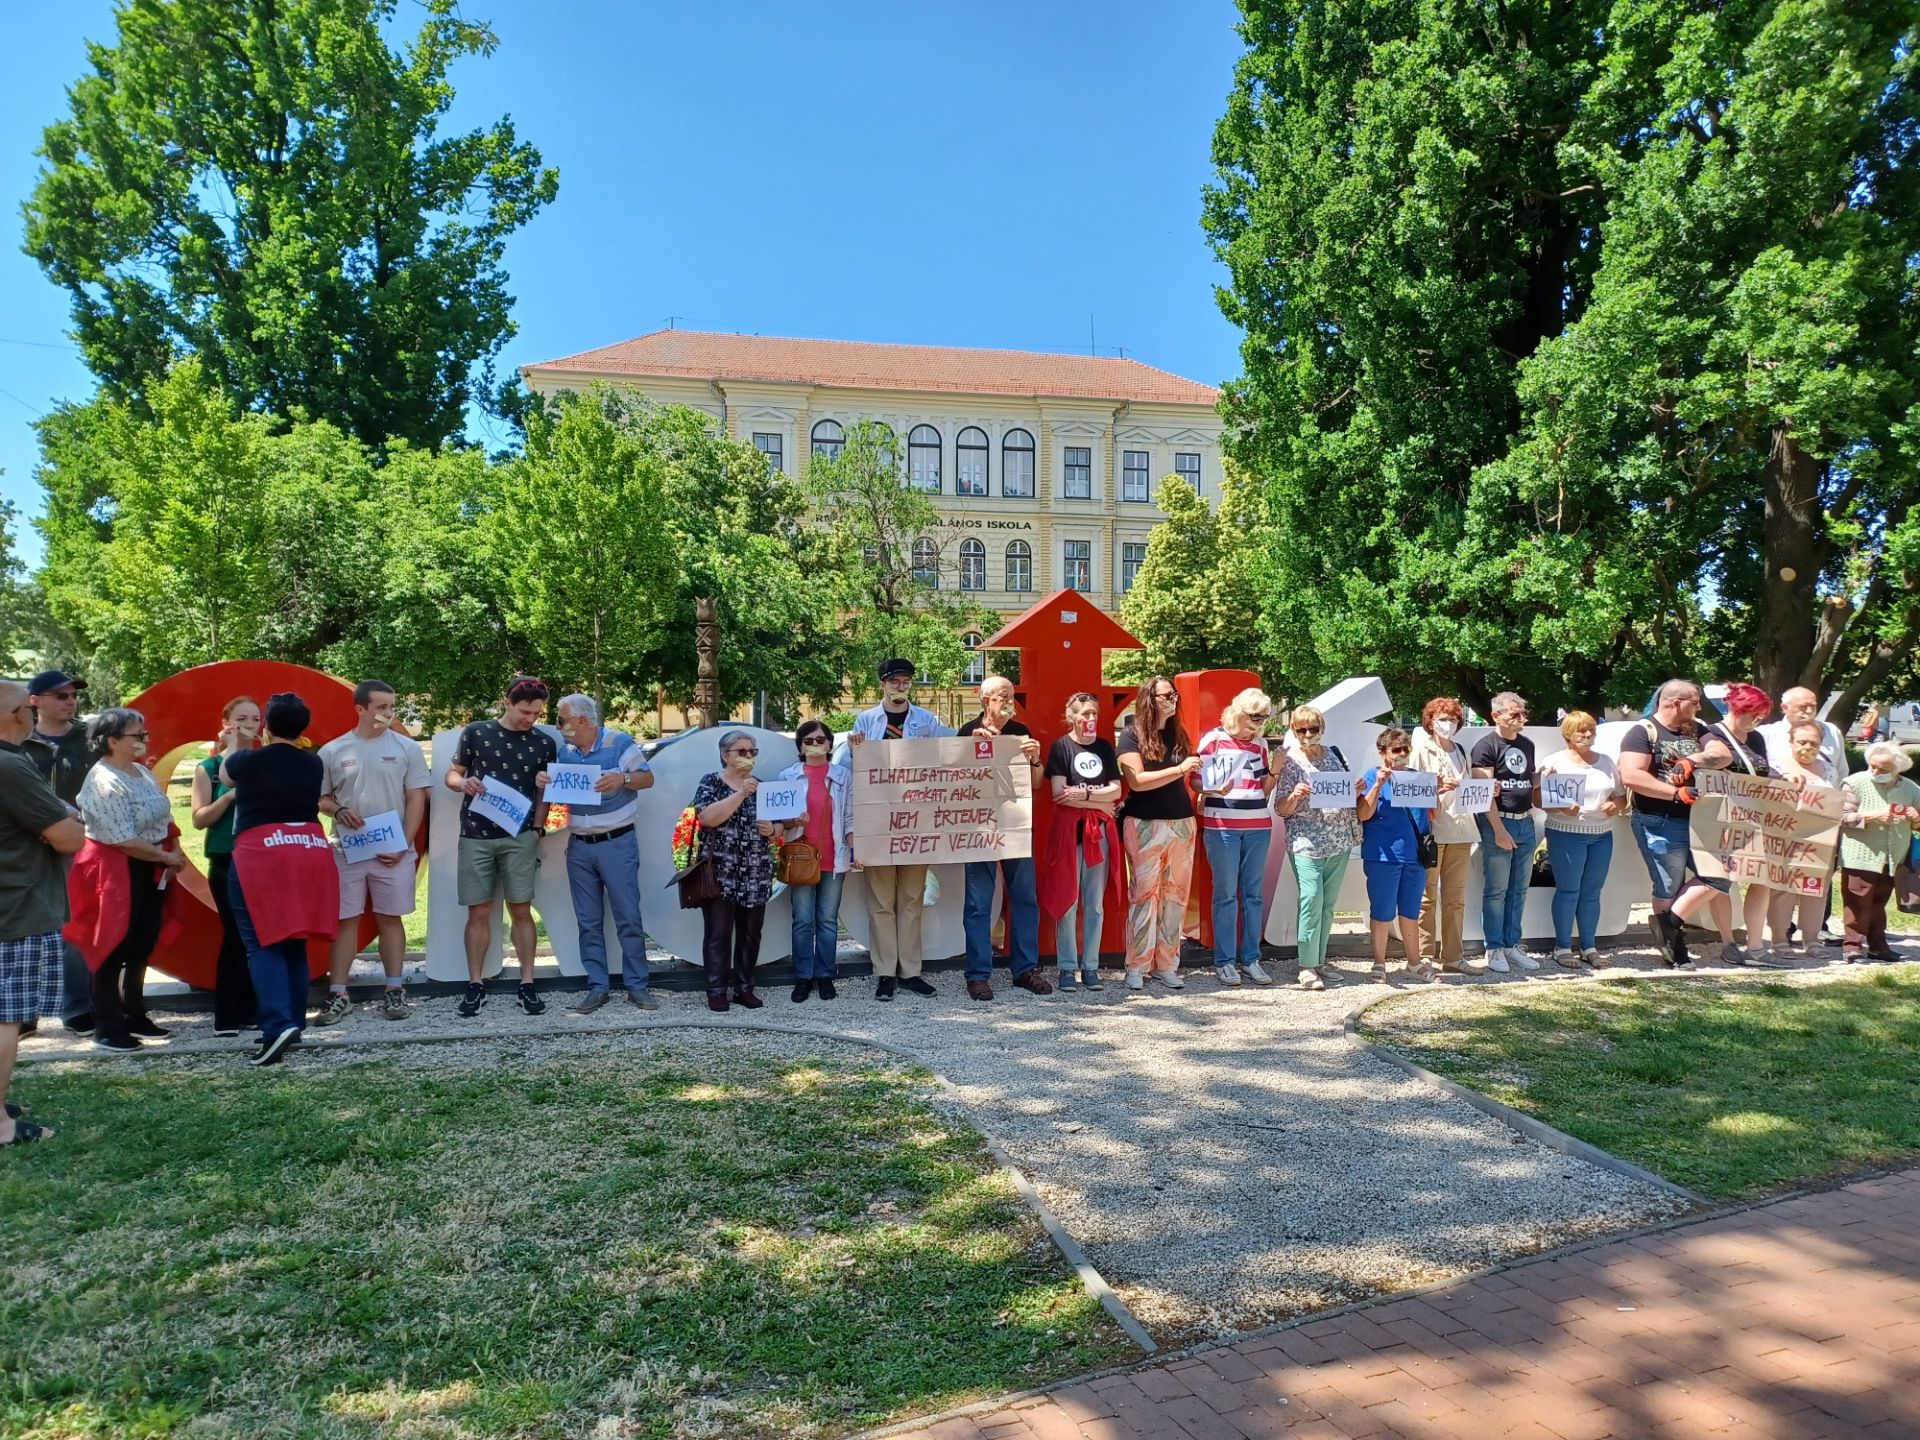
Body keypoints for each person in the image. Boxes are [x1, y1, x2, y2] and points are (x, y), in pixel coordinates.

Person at [223, 693, 338, 1066]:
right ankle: (293, 1022)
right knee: (294, 939)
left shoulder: (248, 759)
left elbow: (226, 776)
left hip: (263, 851)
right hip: (307, 847)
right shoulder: (312, 762)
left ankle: (275, 1026)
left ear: (267, 726)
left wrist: (234, 743)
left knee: (261, 941)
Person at [67, 708, 188, 1051]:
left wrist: (171, 850)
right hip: (116, 870)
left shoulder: (140, 771)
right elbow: (119, 837)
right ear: (112, 740)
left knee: (141, 941)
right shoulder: (103, 781)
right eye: (137, 735)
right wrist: (166, 857)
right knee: (111, 944)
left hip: (149, 864)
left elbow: (164, 814)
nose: (144, 739)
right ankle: (106, 1024)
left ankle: (134, 1012)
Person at [313, 680, 433, 1025]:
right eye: (380, 707)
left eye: (391, 707)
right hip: (347, 851)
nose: (387, 713)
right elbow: (321, 798)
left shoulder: (406, 748)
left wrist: (404, 842)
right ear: (360, 709)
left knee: (390, 918)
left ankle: (394, 989)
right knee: (345, 920)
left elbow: (416, 798)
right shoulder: (333, 751)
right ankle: (338, 994)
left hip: (393, 850)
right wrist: (336, 810)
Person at [0, 679, 86, 1145]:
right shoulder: (11, 766)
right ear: (20, 715)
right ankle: (0, 1124)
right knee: (6, 1017)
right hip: (16, 906)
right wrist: (64, 821)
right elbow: (70, 838)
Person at [445, 677, 556, 1018]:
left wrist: (538, 827)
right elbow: (452, 774)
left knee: (521, 909)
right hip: (476, 834)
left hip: (520, 836)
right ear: (506, 702)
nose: (530, 719)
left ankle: (527, 982)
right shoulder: (476, 732)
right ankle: (475, 983)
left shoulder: (543, 742)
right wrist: (463, 783)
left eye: (536, 713)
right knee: (478, 912)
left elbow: (545, 792)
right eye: (525, 711)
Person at [540, 693, 655, 1014]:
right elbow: (556, 788)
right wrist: (543, 780)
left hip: (617, 843)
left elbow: (648, 778)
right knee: (588, 921)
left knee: (628, 917)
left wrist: (623, 778)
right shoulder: (566, 751)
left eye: (562, 720)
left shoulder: (619, 743)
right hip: (579, 846)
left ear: (581, 721)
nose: (559, 725)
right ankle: (597, 986)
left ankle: (638, 986)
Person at [847, 657, 952, 999]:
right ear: (883, 684)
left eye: (906, 681)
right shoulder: (865, 720)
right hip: (878, 820)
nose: (900, 686)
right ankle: (884, 973)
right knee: (880, 900)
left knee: (911, 899)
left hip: (916, 821)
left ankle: (910, 970)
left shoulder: (927, 720)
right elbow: (853, 773)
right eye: (894, 681)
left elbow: (950, 756)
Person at [956, 679, 1052, 1001]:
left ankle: (1025, 969)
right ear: (986, 700)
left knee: (1025, 898)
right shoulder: (967, 731)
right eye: (1002, 697)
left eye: (1011, 696)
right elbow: (954, 781)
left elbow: (1037, 782)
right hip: (979, 828)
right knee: (978, 903)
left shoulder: (1021, 731)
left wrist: (1036, 758)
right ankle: (978, 975)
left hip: (1015, 826)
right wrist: (969, 747)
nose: (1009, 702)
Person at [1671, 682, 1775, 965]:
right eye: (1753, 714)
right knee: (1721, 878)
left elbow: (1764, 770)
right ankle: (1728, 941)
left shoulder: (1756, 739)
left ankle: (1755, 943)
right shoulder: (1713, 735)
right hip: (1721, 818)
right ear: (1736, 708)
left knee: (1761, 879)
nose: (1757, 721)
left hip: (1755, 818)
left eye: (1761, 716)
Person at [1116, 678, 1201, 990]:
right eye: (1167, 695)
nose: (1173, 699)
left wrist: (1208, 784)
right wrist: (1180, 770)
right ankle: (1136, 966)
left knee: (1175, 897)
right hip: (1144, 823)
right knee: (1143, 896)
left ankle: (1166, 964)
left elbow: (1190, 779)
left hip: (1181, 822)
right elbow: (1137, 781)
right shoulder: (1131, 734)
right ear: (1150, 698)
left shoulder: (1178, 734)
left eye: (1174, 694)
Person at [21, 670, 92, 1036]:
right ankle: (24, 1012)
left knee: (75, 925)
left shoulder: (88, 741)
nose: (69, 701)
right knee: (26, 928)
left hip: (75, 843)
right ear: (35, 701)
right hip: (25, 847)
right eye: (60, 695)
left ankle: (78, 1006)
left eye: (72, 695)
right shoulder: (18, 742)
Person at [1195, 688, 1280, 987]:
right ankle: (1225, 961)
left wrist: (1277, 771)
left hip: (1258, 824)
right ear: (1239, 711)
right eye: (1254, 717)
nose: (1258, 724)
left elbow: (1264, 788)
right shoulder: (1213, 739)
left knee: (1254, 895)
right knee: (1226, 894)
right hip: (1222, 825)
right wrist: (1211, 787)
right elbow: (1195, 778)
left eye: (1263, 718)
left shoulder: (1260, 745)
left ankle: (1252, 959)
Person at [1273, 704, 1359, 991]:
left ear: (1322, 728)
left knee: (1328, 905)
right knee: (1311, 900)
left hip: (1339, 840)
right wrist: (1295, 796)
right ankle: (1306, 966)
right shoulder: (1291, 762)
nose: (1308, 734)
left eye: (1313, 728)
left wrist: (1355, 789)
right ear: (1294, 731)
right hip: (1305, 841)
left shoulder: (1336, 754)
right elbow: (1281, 809)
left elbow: (1345, 793)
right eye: (1301, 729)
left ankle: (1320, 960)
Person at [1042, 692, 1124, 990]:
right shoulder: (1061, 747)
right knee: (1068, 900)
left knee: (1095, 903)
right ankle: (1066, 967)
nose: (1090, 719)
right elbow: (1059, 793)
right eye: (1084, 714)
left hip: (1098, 833)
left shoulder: (1103, 747)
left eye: (1094, 714)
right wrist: (1099, 803)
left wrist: (1087, 796)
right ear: (1072, 716)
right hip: (1069, 832)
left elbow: (1115, 790)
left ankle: (1090, 966)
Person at [189, 696, 260, 1036]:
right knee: (235, 935)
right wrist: (229, 796)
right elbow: (200, 819)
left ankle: (253, 1008)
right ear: (226, 723)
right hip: (226, 858)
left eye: (256, 718)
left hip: (262, 858)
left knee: (260, 935)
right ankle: (227, 1015)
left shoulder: (265, 762)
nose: (250, 723)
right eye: (242, 718)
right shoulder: (208, 768)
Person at [693, 729, 776, 1012]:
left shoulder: (762, 786)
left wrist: (772, 828)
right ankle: (717, 989)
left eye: (753, 751)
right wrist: (741, 793)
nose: (749, 756)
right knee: (718, 932)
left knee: (751, 932)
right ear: (725, 755)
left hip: (755, 869)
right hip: (721, 869)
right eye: (742, 751)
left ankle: (744, 987)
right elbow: (707, 818)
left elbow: (778, 826)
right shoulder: (711, 782)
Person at [1537, 710, 1626, 970]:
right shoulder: (1553, 762)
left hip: (1601, 835)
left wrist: (1614, 805)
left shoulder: (1607, 762)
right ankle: (1562, 947)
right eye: (1581, 731)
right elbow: (1538, 800)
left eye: (1591, 730)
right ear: (1567, 734)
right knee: (1568, 890)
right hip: (1564, 832)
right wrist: (1562, 807)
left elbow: (1621, 796)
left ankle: (1589, 946)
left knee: (1592, 892)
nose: (1588, 735)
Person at [1761, 687, 1850, 942]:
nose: (1809, 711)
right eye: (1802, 706)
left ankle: (1815, 931)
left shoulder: (1830, 731)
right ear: (1784, 707)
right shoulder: (1768, 734)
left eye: (1813, 705)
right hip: (1784, 822)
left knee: (1818, 882)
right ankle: (1781, 932)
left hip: (1821, 826)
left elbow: (1841, 773)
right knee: (1783, 881)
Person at [778, 719, 853, 1003]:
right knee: (802, 920)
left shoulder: (843, 776)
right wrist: (793, 820)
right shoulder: (788, 776)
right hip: (800, 857)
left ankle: (824, 975)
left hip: (834, 858)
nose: (814, 745)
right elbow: (779, 820)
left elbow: (849, 817)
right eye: (808, 740)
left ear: (830, 744)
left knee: (827, 920)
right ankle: (803, 976)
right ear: (799, 745)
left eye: (820, 740)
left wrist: (855, 847)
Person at [1354, 728, 1435, 982]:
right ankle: (1379, 962)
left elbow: (1435, 813)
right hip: (1383, 855)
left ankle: (1414, 961)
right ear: (1383, 753)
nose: (1401, 754)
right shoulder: (1370, 775)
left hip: (1414, 856)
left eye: (1405, 749)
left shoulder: (1418, 778)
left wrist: (1437, 789)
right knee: (1382, 911)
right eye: (1395, 749)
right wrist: (1378, 784)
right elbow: (1363, 814)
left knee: (1410, 911)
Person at [1469, 692, 1539, 972]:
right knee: (1497, 890)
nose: (1521, 718)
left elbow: (1527, 780)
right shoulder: (1485, 747)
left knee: (1519, 890)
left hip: (1526, 821)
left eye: (1523, 712)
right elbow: (1483, 794)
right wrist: (1498, 829)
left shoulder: (1527, 745)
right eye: (1514, 713)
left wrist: (1546, 778)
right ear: (1496, 716)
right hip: (1499, 822)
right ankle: (1494, 948)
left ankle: (1512, 944)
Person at [1837, 744, 1919, 964]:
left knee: (1879, 902)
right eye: (1872, 767)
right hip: (1860, 855)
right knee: (1856, 902)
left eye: (1883, 769)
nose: (1875, 773)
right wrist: (1872, 817)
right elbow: (1840, 816)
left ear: (1897, 769)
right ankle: (1852, 947)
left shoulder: (1911, 789)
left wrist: (1915, 817)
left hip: (1893, 859)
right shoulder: (1855, 783)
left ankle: (1878, 947)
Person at [1409, 697, 1475, 973]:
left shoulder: (1461, 750)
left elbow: (1469, 787)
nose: (1447, 724)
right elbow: (1411, 789)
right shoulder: (1420, 750)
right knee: (1427, 897)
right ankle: (1425, 955)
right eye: (1442, 718)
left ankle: (1453, 956)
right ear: (1430, 721)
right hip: (1433, 832)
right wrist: (1435, 788)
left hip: (1462, 829)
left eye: (1452, 719)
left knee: (1456, 898)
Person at [1769, 719, 1841, 955]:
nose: (1808, 746)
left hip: (1821, 838)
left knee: (1816, 888)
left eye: (1814, 742)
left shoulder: (1828, 768)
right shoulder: (1778, 766)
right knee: (1783, 888)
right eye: (1802, 741)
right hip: (1786, 834)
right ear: (1791, 742)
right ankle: (1779, 937)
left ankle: (1811, 939)